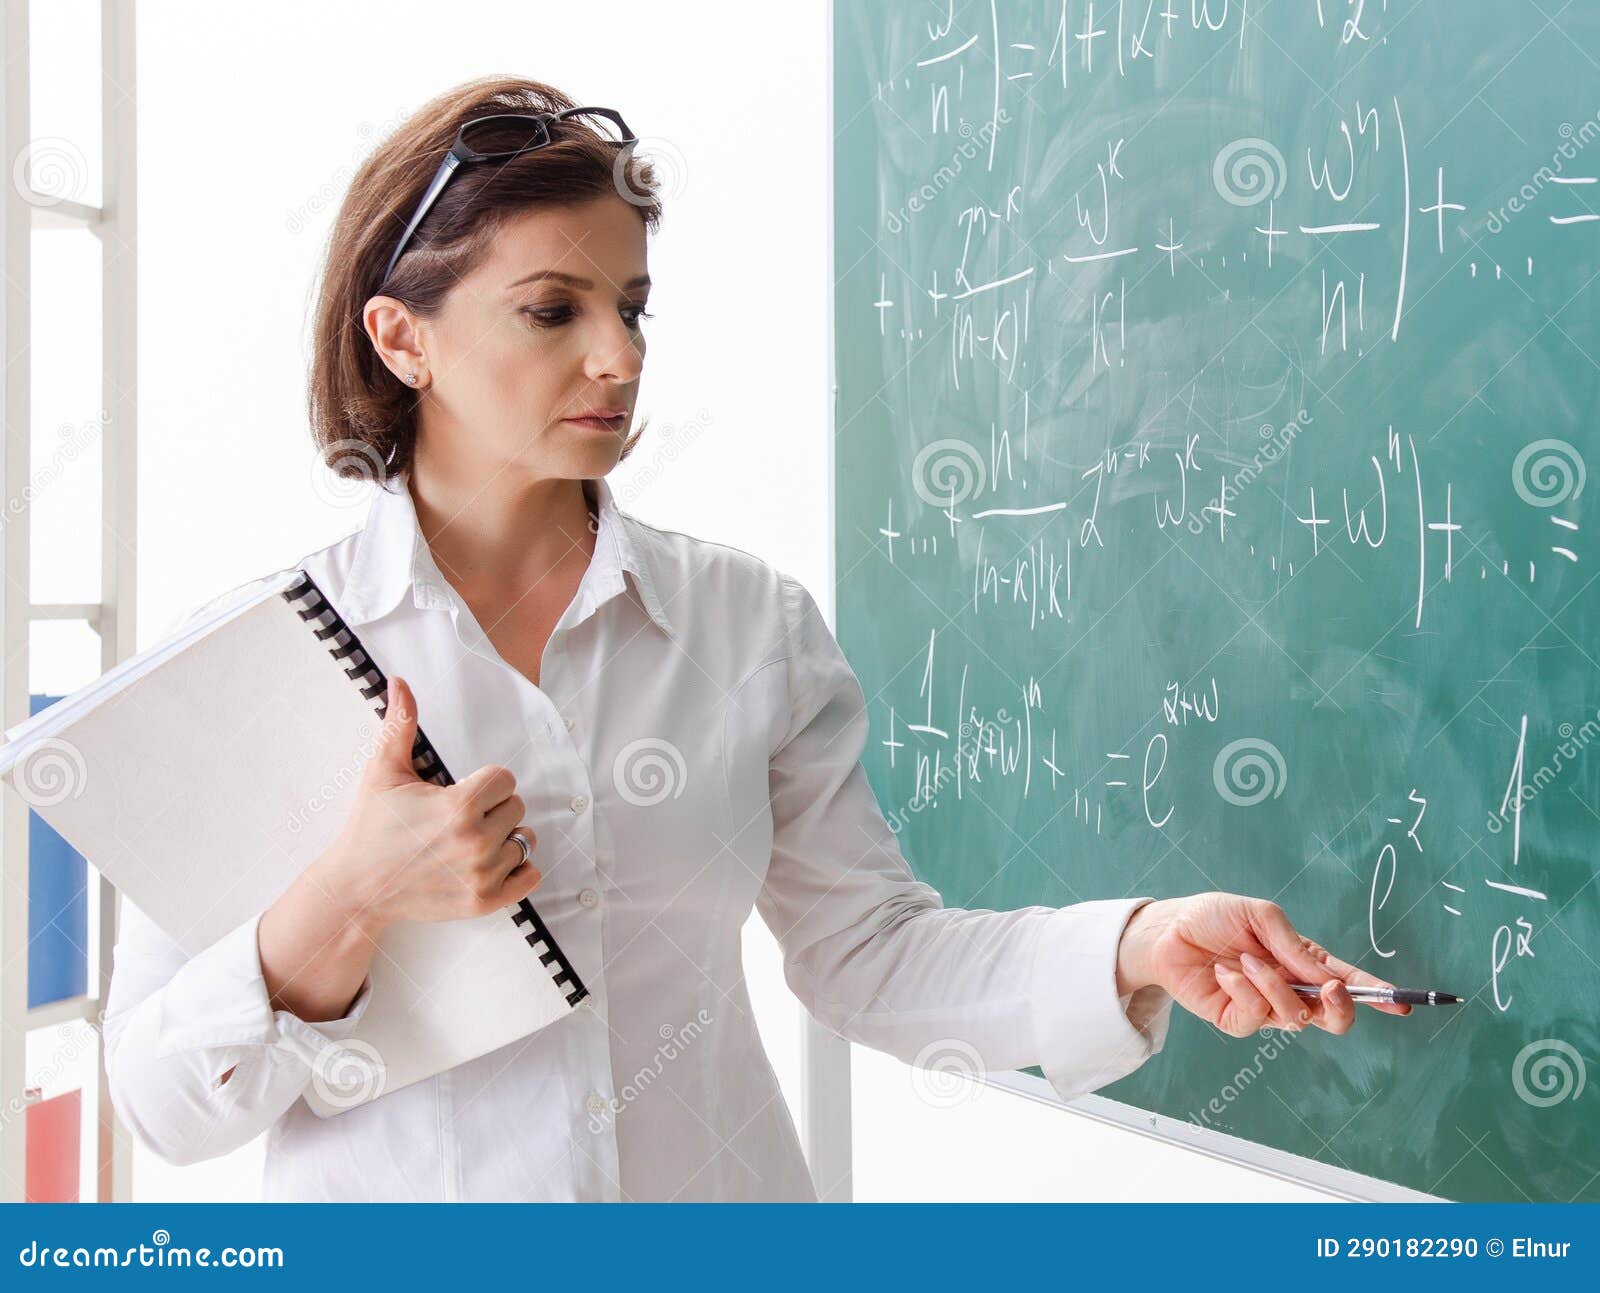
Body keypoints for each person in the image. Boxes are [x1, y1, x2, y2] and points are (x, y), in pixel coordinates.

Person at [102, 75, 1409, 1203]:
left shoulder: (746, 624)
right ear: (403, 338)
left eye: (634, 307)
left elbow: (872, 957)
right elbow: (165, 1105)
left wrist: (1134, 940)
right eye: (553, 311)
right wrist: (349, 893)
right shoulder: (255, 658)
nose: (618, 356)